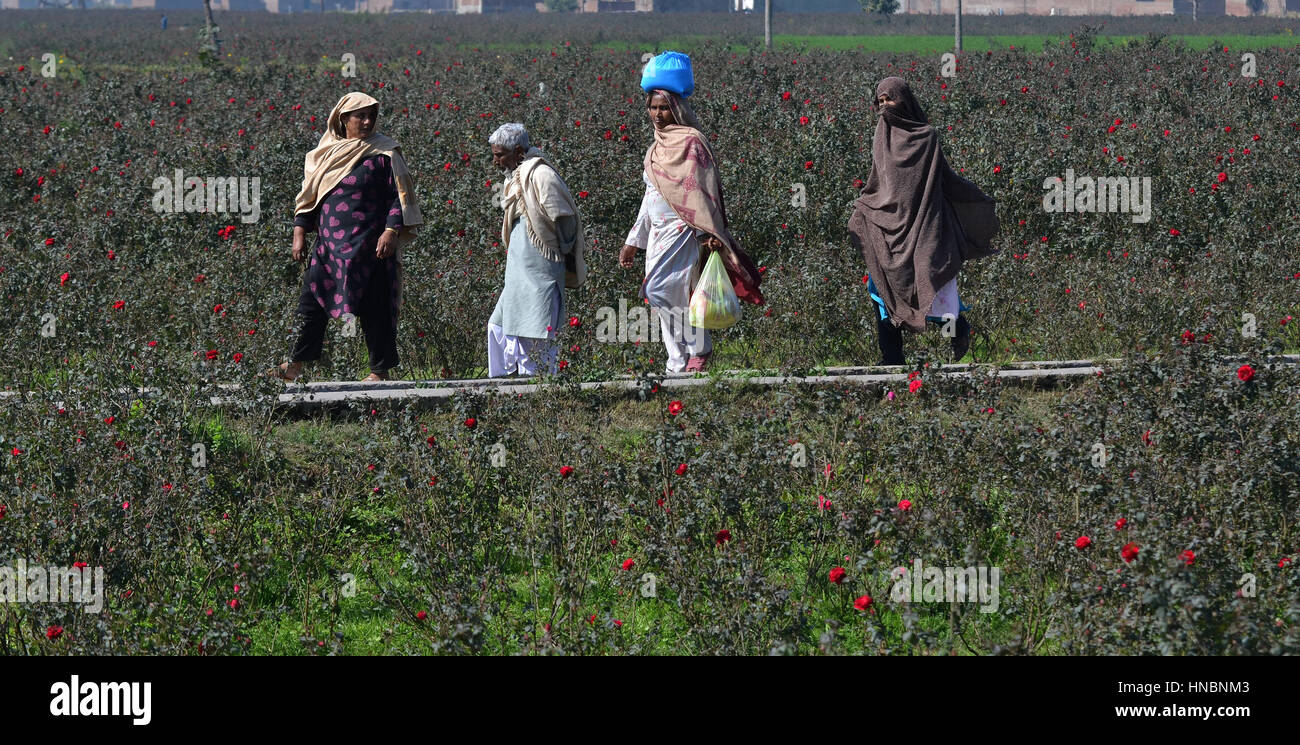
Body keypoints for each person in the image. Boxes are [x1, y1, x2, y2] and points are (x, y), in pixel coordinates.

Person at [269, 92, 421, 382]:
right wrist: (299, 232)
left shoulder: (384, 154)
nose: (366, 122)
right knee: (311, 305)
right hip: (329, 248)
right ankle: (294, 365)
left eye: (371, 116)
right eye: (359, 116)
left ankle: (379, 371)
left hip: (372, 248)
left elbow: (397, 197)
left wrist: (391, 231)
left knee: (376, 308)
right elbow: (310, 196)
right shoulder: (326, 153)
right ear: (343, 119)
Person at [848, 77, 999, 366]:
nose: (884, 106)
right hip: (890, 225)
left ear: (904, 100)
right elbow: (878, 183)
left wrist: (977, 201)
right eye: (879, 101)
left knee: (934, 285)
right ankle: (892, 357)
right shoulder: (882, 135)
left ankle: (958, 333)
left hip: (928, 225)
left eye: (889, 100)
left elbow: (945, 179)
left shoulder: (927, 137)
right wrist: (865, 207)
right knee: (881, 289)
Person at [620, 88, 763, 374]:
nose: (657, 115)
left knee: (664, 290)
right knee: (663, 299)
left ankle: (700, 347)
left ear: (677, 110)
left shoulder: (692, 142)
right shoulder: (654, 149)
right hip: (658, 234)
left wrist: (706, 230)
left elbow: (703, 190)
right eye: (652, 108)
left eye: (663, 108)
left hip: (684, 230)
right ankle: (677, 360)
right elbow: (650, 198)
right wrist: (633, 241)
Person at [486, 122, 587, 378]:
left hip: (541, 262)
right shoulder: (516, 176)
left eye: (500, 155)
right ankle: (508, 376)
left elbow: (564, 216)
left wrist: (563, 251)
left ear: (518, 151)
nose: (495, 161)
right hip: (520, 262)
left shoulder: (541, 174)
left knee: (536, 323)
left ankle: (537, 380)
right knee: (501, 322)